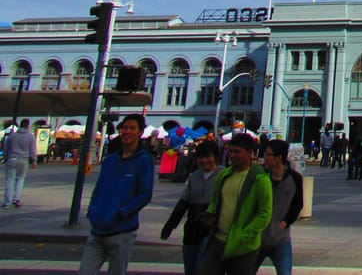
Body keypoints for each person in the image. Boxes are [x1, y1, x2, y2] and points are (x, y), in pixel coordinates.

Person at [77, 114, 155, 275]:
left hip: (122, 230)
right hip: (98, 228)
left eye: (132, 128)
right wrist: (93, 210)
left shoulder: (144, 160)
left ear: (140, 132)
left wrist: (123, 212)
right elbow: (99, 188)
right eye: (124, 128)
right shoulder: (110, 160)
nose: (127, 131)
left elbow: (144, 194)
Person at [199, 132, 272, 275]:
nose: (232, 155)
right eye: (230, 151)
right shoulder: (224, 175)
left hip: (243, 247)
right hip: (218, 241)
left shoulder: (260, 179)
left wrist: (245, 235)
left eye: (237, 152)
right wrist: (210, 214)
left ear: (250, 153)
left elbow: (265, 213)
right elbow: (215, 201)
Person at [160, 141, 221, 275]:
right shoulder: (194, 177)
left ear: (215, 156)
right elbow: (183, 203)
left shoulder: (223, 176)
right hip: (192, 229)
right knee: (190, 268)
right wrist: (169, 226)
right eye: (201, 157)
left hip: (211, 231)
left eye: (208, 156)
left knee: (202, 268)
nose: (204, 160)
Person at [257, 139, 304, 275]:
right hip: (258, 237)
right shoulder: (260, 176)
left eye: (268, 154)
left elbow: (297, 204)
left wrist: (284, 223)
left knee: (284, 272)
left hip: (281, 238)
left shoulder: (294, 178)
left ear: (279, 157)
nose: (265, 157)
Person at [2, 118, 37, 209]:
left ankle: (7, 202)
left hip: (12, 159)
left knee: (10, 180)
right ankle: (16, 199)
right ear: (28, 126)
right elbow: (33, 150)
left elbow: (5, 149)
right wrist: (34, 161)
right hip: (24, 160)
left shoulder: (12, 136)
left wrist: (5, 158)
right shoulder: (31, 137)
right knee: (20, 179)